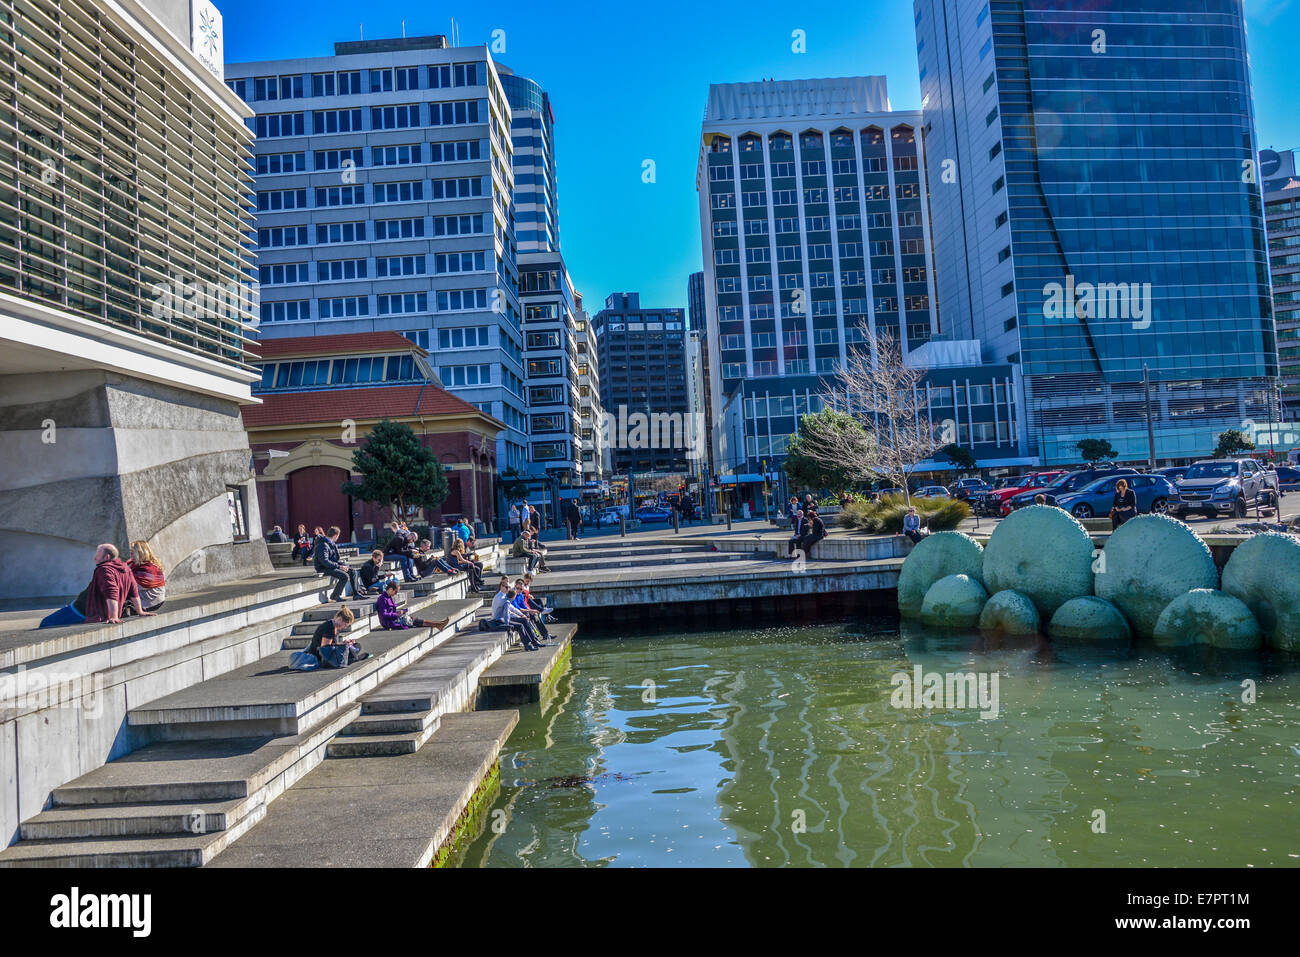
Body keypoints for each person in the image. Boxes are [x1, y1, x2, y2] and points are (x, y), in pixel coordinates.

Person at [489, 579, 541, 651]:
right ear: (501, 587)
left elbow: (512, 608)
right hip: (499, 620)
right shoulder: (501, 598)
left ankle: (534, 641)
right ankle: (527, 645)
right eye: (506, 587)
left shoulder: (504, 596)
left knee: (524, 620)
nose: (508, 589)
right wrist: (507, 625)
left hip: (504, 618)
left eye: (509, 587)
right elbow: (507, 614)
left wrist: (521, 615)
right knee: (520, 626)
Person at [375, 581, 448, 631]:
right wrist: (397, 614)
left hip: (394, 619)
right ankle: (438, 624)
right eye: (396, 592)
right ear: (391, 589)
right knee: (415, 621)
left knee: (413, 619)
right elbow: (384, 615)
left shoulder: (389, 597)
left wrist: (401, 612)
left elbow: (391, 611)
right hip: (389, 623)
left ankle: (439, 624)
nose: (396, 594)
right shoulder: (382, 599)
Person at [314, 526, 360, 602]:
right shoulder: (323, 545)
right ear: (336, 536)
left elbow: (335, 559)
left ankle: (356, 594)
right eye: (338, 536)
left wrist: (342, 565)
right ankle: (335, 595)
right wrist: (339, 567)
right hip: (323, 568)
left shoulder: (331, 543)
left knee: (352, 571)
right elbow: (324, 561)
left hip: (330, 566)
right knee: (344, 576)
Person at [128, 540, 166, 612]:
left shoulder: (150, 568)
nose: (130, 553)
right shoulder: (134, 564)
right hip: (143, 597)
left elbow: (134, 587)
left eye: (132, 552)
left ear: (140, 553)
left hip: (151, 601)